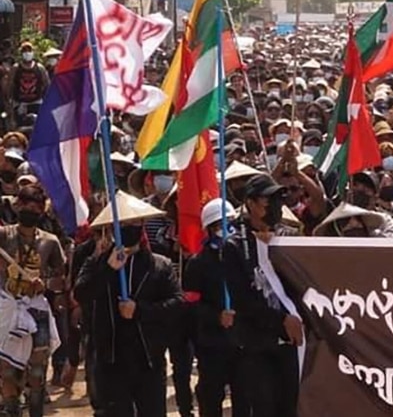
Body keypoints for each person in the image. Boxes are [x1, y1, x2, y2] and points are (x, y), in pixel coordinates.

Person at [74, 191, 184, 417]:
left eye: (135, 223)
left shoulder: (159, 265)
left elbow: (176, 303)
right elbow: (81, 293)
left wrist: (140, 310)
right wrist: (107, 269)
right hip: (111, 360)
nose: (130, 228)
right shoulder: (96, 262)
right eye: (125, 223)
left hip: (148, 359)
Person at [231, 175, 304, 417]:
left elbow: (302, 285)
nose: (274, 205)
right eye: (267, 199)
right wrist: (280, 320)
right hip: (257, 344)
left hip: (291, 344)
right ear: (251, 203)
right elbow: (242, 298)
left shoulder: (290, 239)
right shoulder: (235, 245)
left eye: (278, 199)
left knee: (290, 407)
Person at [0, 185, 65, 417]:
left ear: (41, 210)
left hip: (37, 310)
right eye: (26, 205)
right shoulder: (3, 236)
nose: (30, 210)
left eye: (35, 206)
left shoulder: (51, 241)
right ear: (17, 206)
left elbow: (61, 278)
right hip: (6, 309)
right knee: (7, 373)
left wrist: (45, 284)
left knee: (37, 374)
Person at [182, 199, 244, 417]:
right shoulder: (197, 264)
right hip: (211, 345)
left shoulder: (243, 257)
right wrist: (216, 317)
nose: (226, 229)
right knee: (211, 397)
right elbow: (190, 306)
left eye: (230, 222)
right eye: (219, 224)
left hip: (242, 341)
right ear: (209, 229)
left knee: (245, 397)